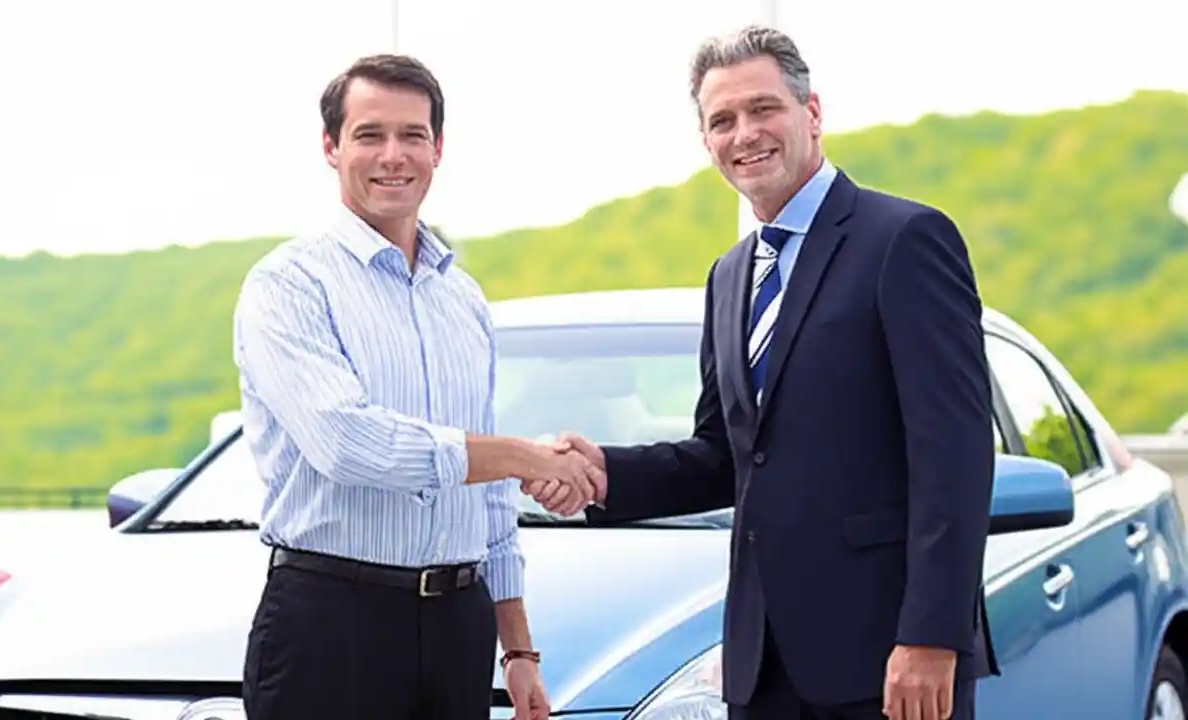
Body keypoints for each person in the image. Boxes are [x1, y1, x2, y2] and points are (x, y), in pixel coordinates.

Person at [543, 25, 997, 720]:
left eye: (763, 110)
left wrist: (931, 636)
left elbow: (954, 457)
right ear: (707, 144)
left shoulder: (904, 241)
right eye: (722, 121)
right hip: (762, 663)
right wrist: (603, 471)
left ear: (811, 113)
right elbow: (725, 456)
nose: (744, 133)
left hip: (889, 657)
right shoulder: (729, 277)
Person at [232, 53, 599, 720]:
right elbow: (347, 443)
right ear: (330, 146)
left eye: (412, 135)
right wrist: (523, 456)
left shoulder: (461, 299)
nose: (392, 155)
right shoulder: (288, 285)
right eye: (369, 135)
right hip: (330, 624)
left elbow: (489, 502)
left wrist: (518, 652)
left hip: (459, 629)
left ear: (438, 148)